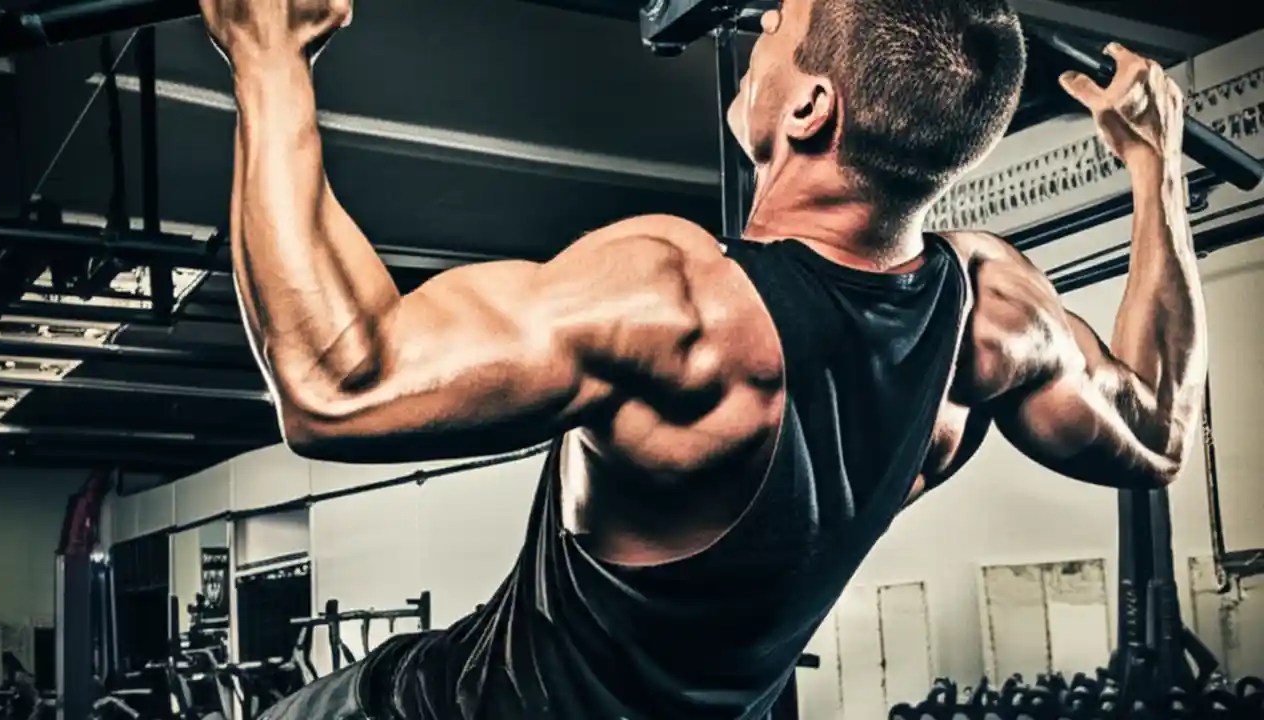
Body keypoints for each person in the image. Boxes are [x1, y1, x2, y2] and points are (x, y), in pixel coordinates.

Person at [197, 0, 1207, 716]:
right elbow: (1158, 429)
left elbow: (337, 379)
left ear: (810, 110)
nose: (759, 31)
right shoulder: (989, 320)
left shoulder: (686, 308)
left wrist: (268, 57)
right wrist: (1154, 170)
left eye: (775, 23)